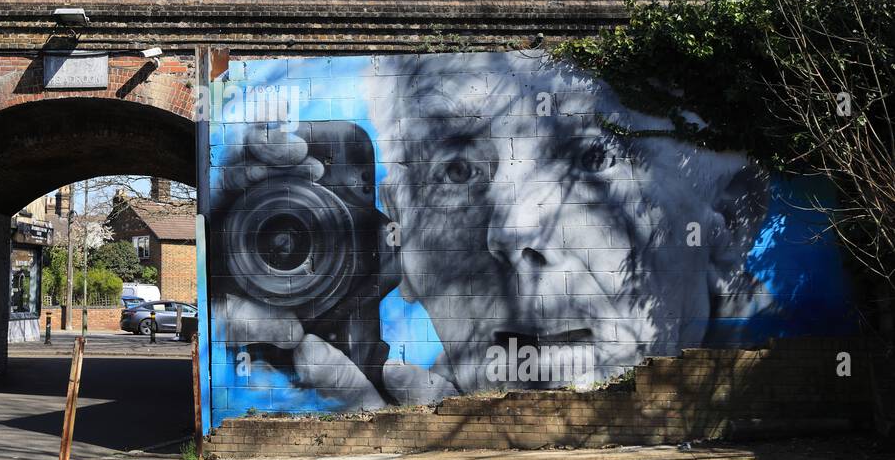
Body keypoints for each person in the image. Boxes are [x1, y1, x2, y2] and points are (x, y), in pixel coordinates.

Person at [212, 51, 773, 410]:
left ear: (729, 223)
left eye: (592, 155)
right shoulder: (367, 397)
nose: (512, 226)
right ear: (399, 232)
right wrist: (237, 250)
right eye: (456, 170)